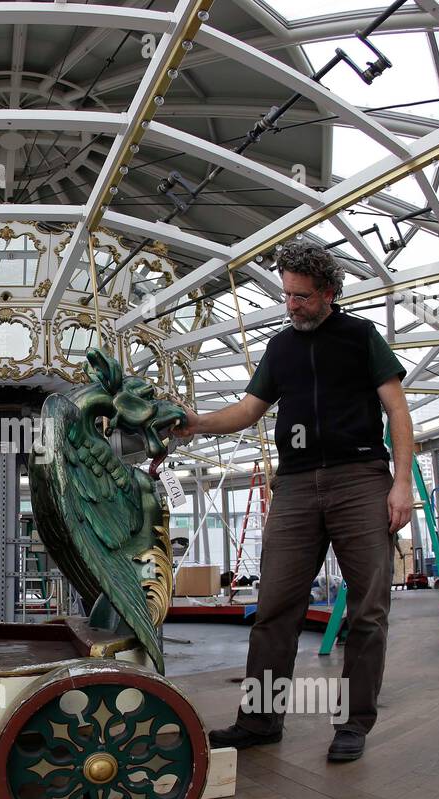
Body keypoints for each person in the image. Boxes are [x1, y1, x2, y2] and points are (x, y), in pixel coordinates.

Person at [173, 241, 414, 762]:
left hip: (360, 477)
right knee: (275, 607)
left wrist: (402, 483)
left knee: (368, 609)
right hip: (298, 485)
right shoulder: (281, 348)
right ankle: (260, 721)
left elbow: (397, 410)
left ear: (328, 292)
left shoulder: (360, 337)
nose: (291, 305)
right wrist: (196, 423)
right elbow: (246, 410)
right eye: (286, 295)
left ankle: (353, 724)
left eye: (302, 296)